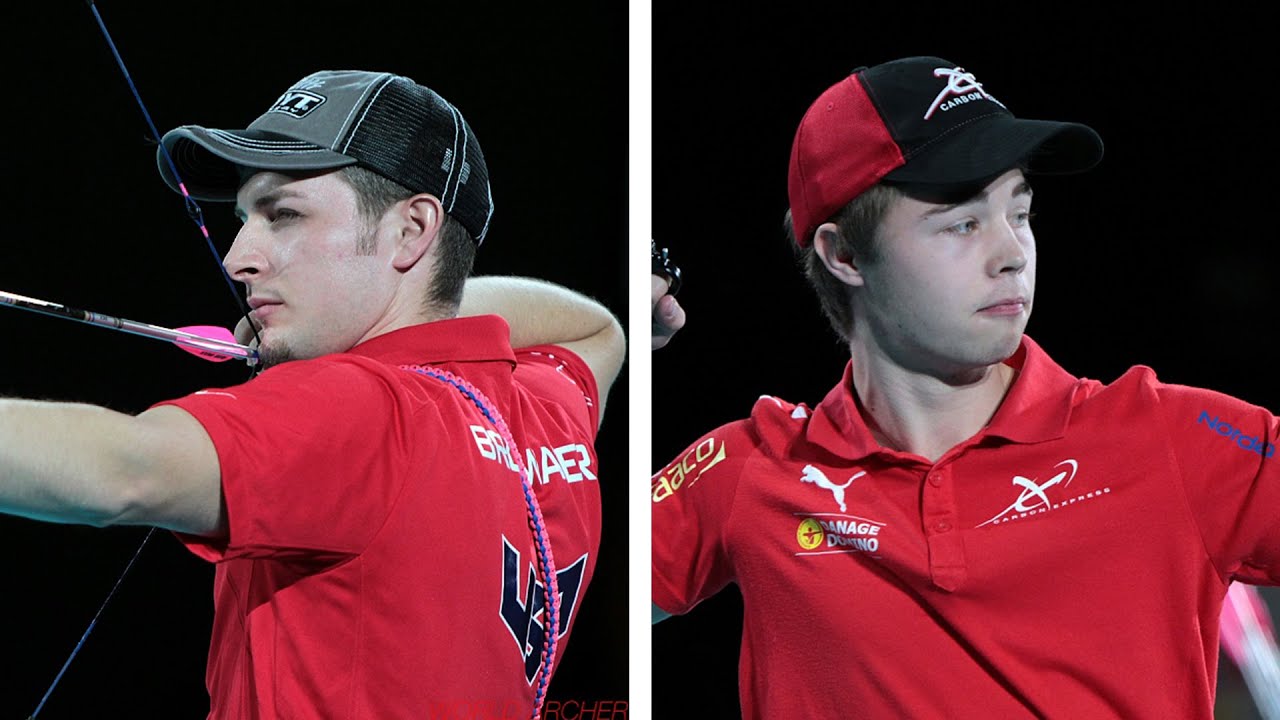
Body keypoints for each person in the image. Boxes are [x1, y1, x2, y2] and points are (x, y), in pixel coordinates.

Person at [650, 55, 1278, 719]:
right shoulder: (753, 471)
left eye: (1021, 213)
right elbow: (546, 563)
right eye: (963, 223)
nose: (1012, 252)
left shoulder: (1178, 440)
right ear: (845, 255)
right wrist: (615, 338)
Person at [1, 69, 625, 718]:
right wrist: (424, 304)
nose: (238, 259)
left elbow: (122, 472)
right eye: (245, 219)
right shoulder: (544, 419)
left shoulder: (358, 407)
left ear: (411, 230)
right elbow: (598, 329)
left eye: (284, 215)